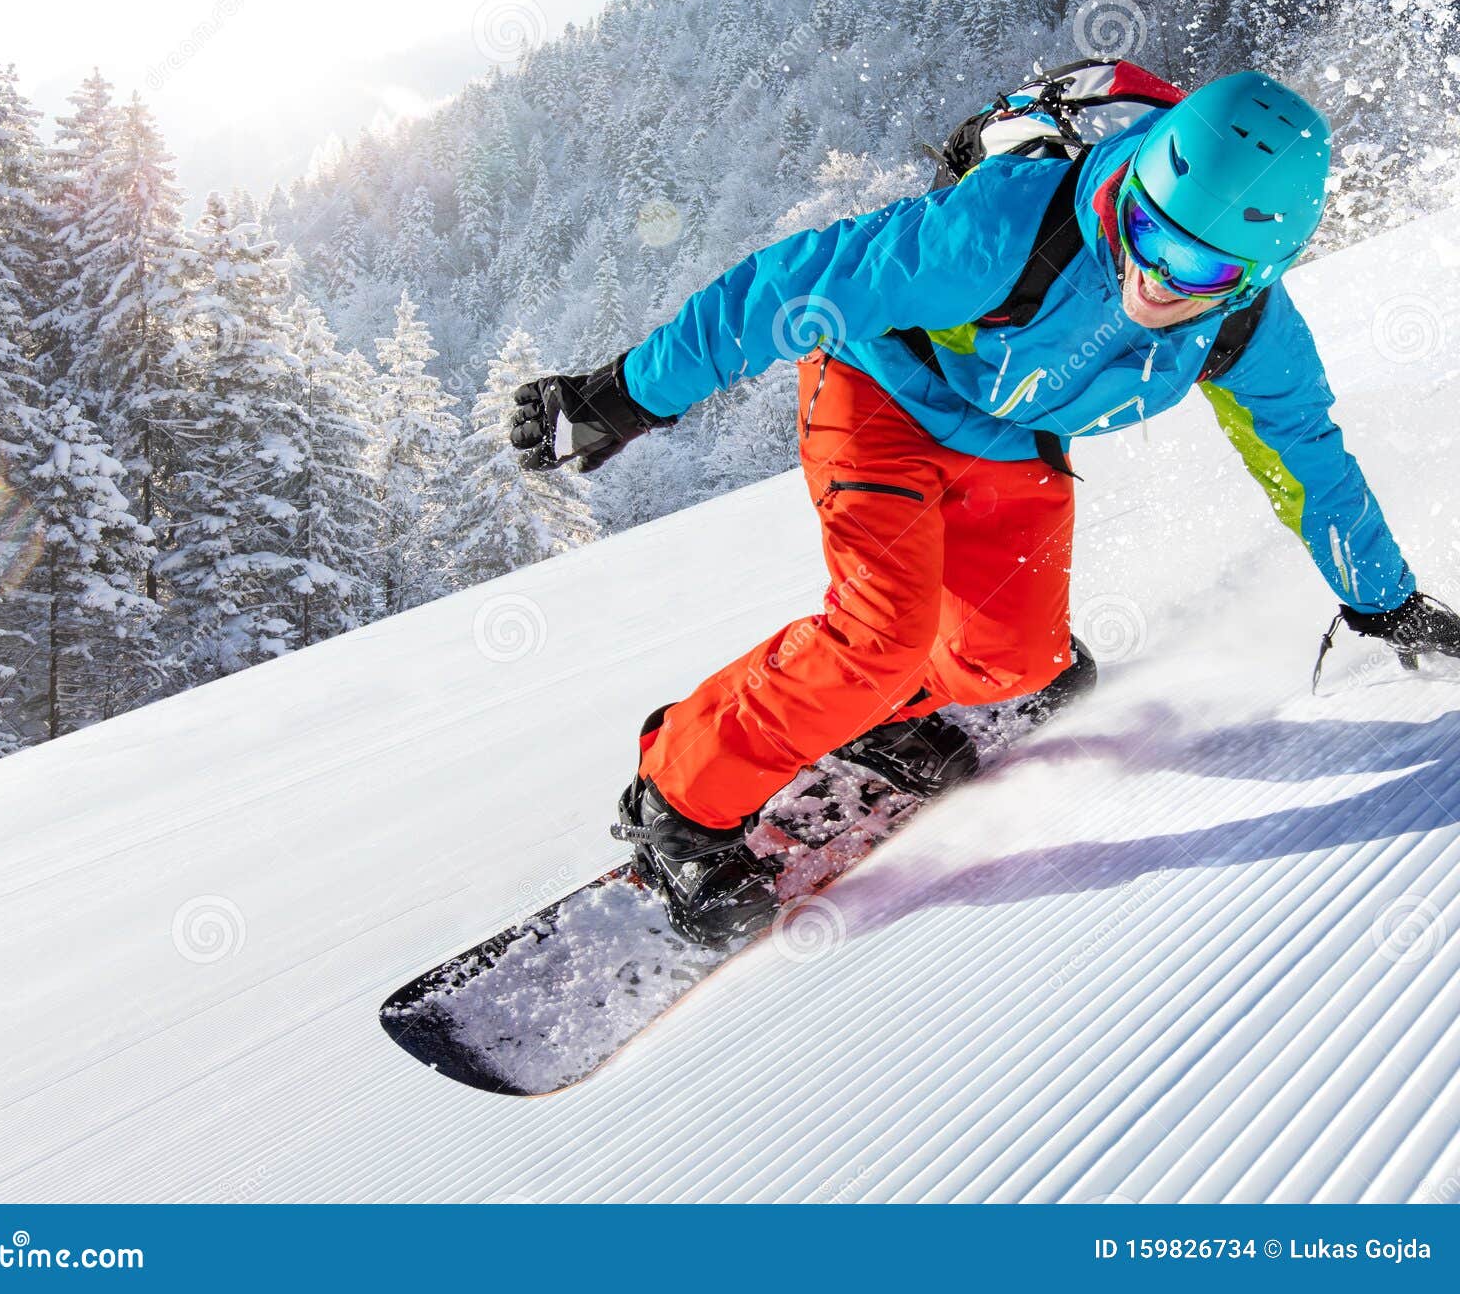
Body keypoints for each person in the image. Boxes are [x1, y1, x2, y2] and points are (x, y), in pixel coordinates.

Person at [510, 70, 1460, 945]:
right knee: (879, 631)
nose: (1152, 278)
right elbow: (790, 283)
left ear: (1255, 277)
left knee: (1025, 665)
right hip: (879, 394)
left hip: (1009, 440)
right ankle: (680, 801)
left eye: (1198, 273)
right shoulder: (1007, 228)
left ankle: (887, 711)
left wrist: (1380, 597)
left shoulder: (1252, 333)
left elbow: (1310, 461)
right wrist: (625, 394)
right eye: (1144, 230)